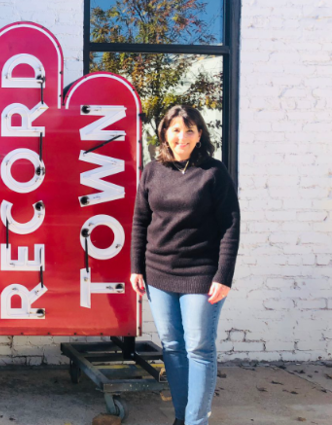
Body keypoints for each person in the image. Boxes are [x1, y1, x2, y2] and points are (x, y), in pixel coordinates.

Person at [130, 105, 240, 425]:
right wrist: (137, 267)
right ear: (165, 133)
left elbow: (230, 226)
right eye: (176, 130)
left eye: (190, 130)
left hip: (202, 274)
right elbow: (140, 221)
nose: (183, 137)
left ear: (199, 134)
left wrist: (223, 275)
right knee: (173, 347)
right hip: (158, 274)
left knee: (199, 348)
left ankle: (196, 421)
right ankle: (181, 418)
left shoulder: (214, 172)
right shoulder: (152, 171)